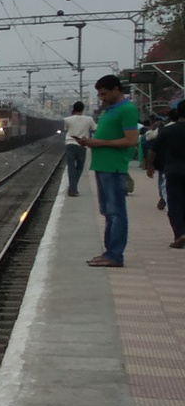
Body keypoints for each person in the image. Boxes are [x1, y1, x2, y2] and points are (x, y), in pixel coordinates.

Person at [75, 74, 139, 268]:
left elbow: (131, 140)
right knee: (108, 212)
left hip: (114, 167)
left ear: (116, 89)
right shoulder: (109, 110)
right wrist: (90, 142)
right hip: (102, 166)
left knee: (116, 212)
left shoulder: (127, 110)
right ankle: (109, 252)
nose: (101, 97)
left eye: (104, 94)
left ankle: (115, 255)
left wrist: (99, 142)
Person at [145, 104, 185, 248]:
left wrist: (149, 167)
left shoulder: (168, 131)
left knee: (174, 203)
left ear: (177, 112)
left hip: (173, 171)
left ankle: (180, 233)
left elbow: (152, 151)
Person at [62, 101, 95, 197]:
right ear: (83, 109)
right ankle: (73, 189)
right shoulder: (89, 119)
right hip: (82, 145)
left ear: (73, 109)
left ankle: (73, 189)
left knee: (71, 167)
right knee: (80, 167)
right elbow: (94, 128)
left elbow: (66, 129)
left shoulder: (67, 119)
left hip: (70, 144)